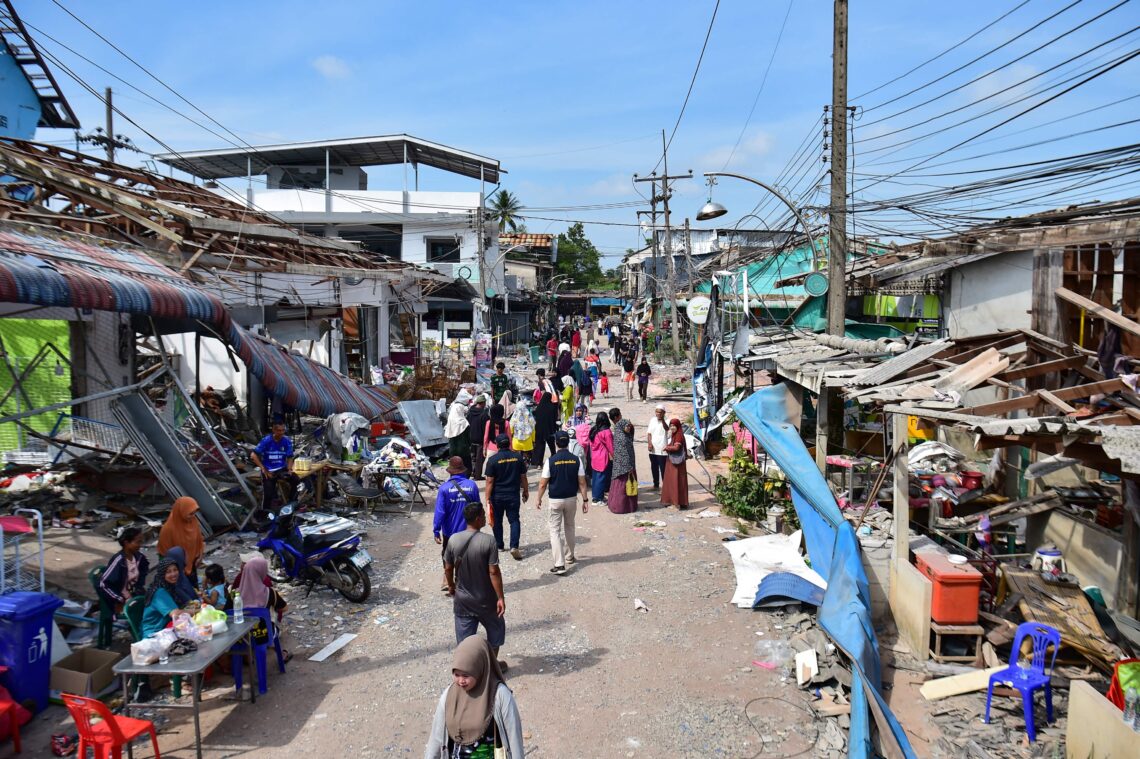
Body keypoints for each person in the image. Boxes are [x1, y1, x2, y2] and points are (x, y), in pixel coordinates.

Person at [424, 635, 524, 759]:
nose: (461, 681)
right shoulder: (449, 695)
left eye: (466, 675)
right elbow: (437, 737)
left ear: (480, 669)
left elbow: (514, 738)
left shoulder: (500, 696)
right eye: (456, 674)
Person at [443, 503, 507, 664]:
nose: (485, 518)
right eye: (484, 515)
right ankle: (491, 665)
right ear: (478, 519)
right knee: (496, 632)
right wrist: (500, 597)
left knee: (465, 642)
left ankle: (470, 669)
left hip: (463, 601)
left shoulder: (453, 539)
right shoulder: (489, 541)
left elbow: (448, 568)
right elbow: (493, 572)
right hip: (486, 600)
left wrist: (451, 586)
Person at [534, 431, 588, 575]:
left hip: (555, 500)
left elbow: (543, 483)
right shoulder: (576, 460)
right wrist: (585, 500)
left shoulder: (550, 461)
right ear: (568, 442)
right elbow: (582, 482)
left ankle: (559, 564)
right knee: (570, 527)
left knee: (555, 530)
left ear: (556, 443)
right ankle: (570, 556)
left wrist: (538, 498)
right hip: (571, 499)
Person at [96, 527, 149, 649]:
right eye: (137, 542)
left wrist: (139, 587)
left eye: (141, 541)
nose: (140, 545)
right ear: (126, 543)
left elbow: (143, 573)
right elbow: (103, 584)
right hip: (120, 600)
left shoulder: (138, 558)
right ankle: (141, 639)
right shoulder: (118, 560)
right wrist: (119, 598)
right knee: (141, 612)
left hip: (134, 595)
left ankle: (145, 634)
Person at [434, 457, 481, 592]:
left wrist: (436, 530)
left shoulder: (444, 488)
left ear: (450, 471)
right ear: (463, 470)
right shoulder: (472, 485)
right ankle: (463, 580)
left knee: (447, 555)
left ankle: (447, 580)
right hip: (469, 530)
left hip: (449, 531)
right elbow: (477, 507)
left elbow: (440, 511)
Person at [485, 433, 528, 560]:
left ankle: (499, 545)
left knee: (497, 520)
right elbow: (523, 477)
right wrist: (526, 491)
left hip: (497, 496)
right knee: (514, 520)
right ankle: (514, 546)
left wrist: (487, 498)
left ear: (497, 445)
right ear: (509, 443)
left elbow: (489, 481)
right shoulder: (518, 457)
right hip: (513, 494)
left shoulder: (492, 460)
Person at [157, 496, 204, 591]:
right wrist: (175, 569)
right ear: (182, 511)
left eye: (194, 513)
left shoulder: (193, 521)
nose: (193, 516)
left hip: (192, 562)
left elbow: (199, 539)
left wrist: (200, 555)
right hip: (176, 569)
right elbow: (164, 553)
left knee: (194, 589)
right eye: (190, 514)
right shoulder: (168, 529)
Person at [251, 418, 298, 511]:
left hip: (282, 469)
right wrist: (263, 468)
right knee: (268, 494)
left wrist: (289, 469)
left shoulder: (286, 441)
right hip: (269, 470)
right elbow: (253, 455)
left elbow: (290, 457)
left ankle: (291, 502)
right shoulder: (266, 440)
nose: (281, 433)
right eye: (279, 430)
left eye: (283, 430)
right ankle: (265, 512)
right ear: (273, 430)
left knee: (296, 480)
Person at [141, 558, 184, 639]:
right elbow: (176, 614)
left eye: (175, 570)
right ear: (162, 574)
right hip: (154, 635)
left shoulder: (169, 587)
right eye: (168, 572)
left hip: (166, 629)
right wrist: (195, 611)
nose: (173, 574)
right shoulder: (160, 592)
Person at [607, 409, 638, 514]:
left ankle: (625, 506)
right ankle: (621, 507)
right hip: (624, 467)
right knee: (623, 488)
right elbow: (624, 453)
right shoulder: (622, 438)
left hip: (623, 465)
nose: (628, 428)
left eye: (629, 426)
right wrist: (629, 467)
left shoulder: (621, 433)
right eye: (627, 426)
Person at [531, 369, 558, 469]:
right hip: (550, 431)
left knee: (540, 445)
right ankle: (554, 458)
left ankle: (539, 463)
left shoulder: (539, 408)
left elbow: (536, 415)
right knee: (552, 445)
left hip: (540, 431)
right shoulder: (552, 408)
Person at [661, 418, 691, 510]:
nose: (672, 427)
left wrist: (667, 448)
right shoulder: (675, 434)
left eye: (674, 426)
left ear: (678, 426)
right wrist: (668, 446)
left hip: (677, 463)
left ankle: (676, 503)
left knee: (675, 482)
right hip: (674, 462)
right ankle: (678, 502)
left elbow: (677, 447)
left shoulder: (678, 435)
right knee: (675, 481)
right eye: (671, 426)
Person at [587, 412, 613, 506]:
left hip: (594, 457)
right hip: (603, 457)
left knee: (595, 478)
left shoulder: (594, 429)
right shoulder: (606, 432)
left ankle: (596, 496)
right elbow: (611, 447)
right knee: (601, 479)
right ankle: (598, 499)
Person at [646, 404, 669, 491]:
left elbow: (667, 429)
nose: (658, 414)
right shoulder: (652, 420)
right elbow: (649, 433)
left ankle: (665, 487)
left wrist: (662, 420)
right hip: (653, 449)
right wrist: (649, 443)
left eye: (660, 412)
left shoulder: (667, 420)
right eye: (657, 412)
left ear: (664, 413)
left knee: (663, 469)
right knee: (654, 467)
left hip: (662, 449)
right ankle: (656, 484)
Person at [444, 400, 471, 473]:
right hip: (464, 451)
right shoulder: (464, 423)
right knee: (465, 469)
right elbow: (469, 439)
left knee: (454, 469)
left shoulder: (450, 422)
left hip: (453, 451)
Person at [467, 395, 489, 481]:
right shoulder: (484, 414)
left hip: (471, 438)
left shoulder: (470, 412)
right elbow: (486, 428)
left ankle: (472, 472)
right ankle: (478, 475)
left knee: (473, 457)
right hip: (480, 439)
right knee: (480, 459)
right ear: (483, 403)